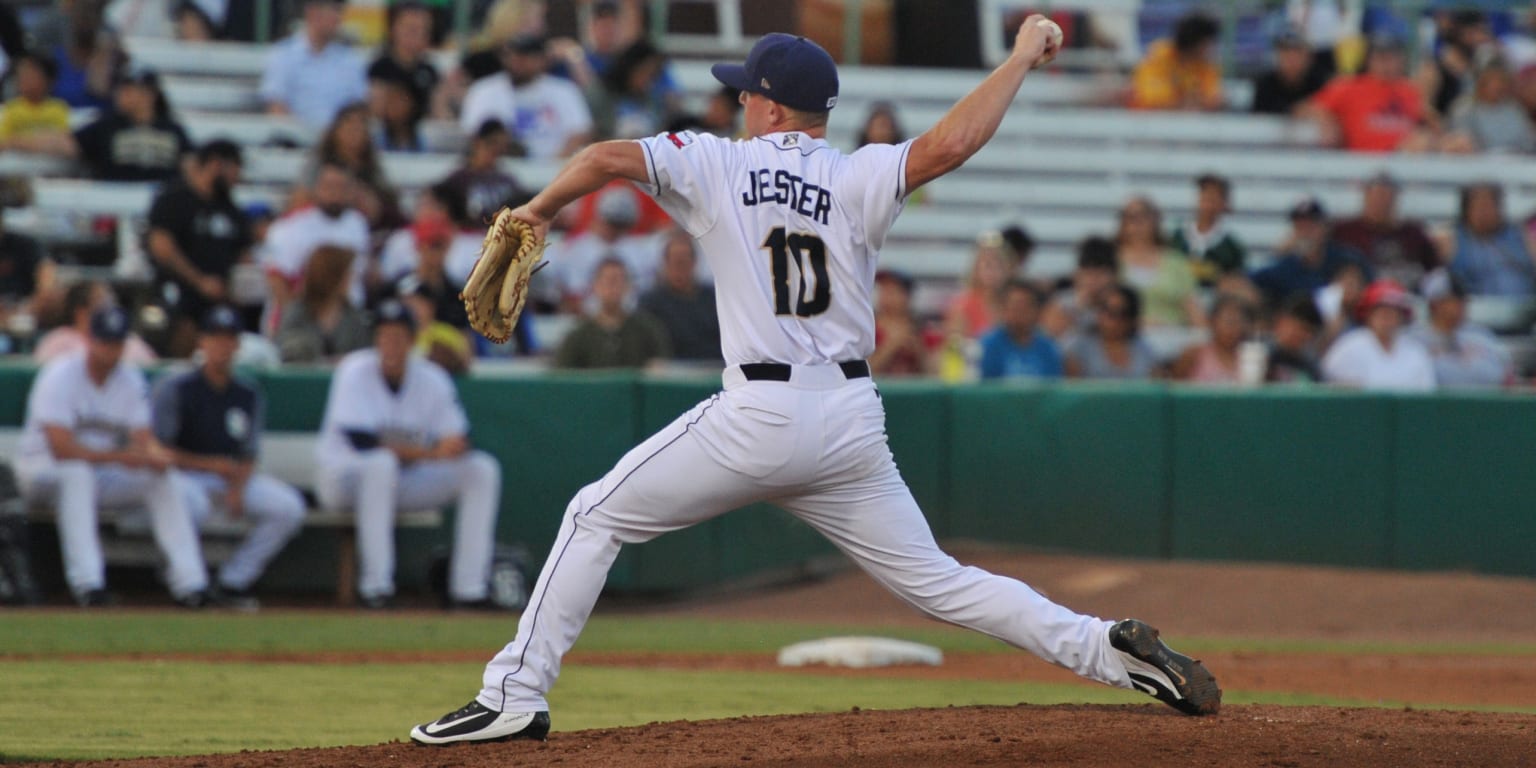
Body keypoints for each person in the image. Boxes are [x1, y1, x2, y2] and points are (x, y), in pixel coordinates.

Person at [411, 26, 1218, 746]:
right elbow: (948, 147)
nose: (736, 104)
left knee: (593, 515)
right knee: (942, 583)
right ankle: (1104, 647)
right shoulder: (860, 172)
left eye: (743, 92)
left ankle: (513, 694)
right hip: (848, 421)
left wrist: (541, 207)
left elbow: (603, 158)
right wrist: (1016, 58)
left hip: (756, 415)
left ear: (766, 106)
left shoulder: (718, 162)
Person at [13, 306, 209, 607]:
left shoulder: (129, 380)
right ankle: (89, 585)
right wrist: (120, 456)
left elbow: (144, 440)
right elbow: (61, 449)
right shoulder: (60, 375)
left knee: (159, 479)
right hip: (41, 472)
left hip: (97, 473)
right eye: (105, 341)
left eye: (117, 342)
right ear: (89, 340)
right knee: (77, 473)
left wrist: (156, 457)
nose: (112, 350)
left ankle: (191, 585)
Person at [315, 300, 502, 609]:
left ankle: (470, 589)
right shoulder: (354, 370)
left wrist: (446, 448)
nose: (391, 343)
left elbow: (458, 439)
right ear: (376, 340)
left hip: (401, 482)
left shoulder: (431, 378)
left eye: (399, 336)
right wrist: (431, 453)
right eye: (385, 335)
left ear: (413, 340)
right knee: (381, 463)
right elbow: (363, 442)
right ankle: (377, 587)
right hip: (343, 480)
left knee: (481, 469)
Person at [152, 305, 306, 609]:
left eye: (228, 339)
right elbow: (160, 451)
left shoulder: (247, 393)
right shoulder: (177, 388)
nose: (222, 346)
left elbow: (249, 452)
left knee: (288, 508)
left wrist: (238, 486)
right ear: (202, 342)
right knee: (185, 502)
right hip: (185, 477)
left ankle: (232, 581)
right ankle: (185, 578)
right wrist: (209, 465)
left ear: (237, 345)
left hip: (230, 477)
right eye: (215, 338)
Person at [145, 139, 252, 357]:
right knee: (181, 328)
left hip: (220, 297)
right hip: (178, 292)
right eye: (234, 168)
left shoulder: (232, 210)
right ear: (215, 164)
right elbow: (161, 246)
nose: (237, 177)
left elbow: (243, 254)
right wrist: (199, 281)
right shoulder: (174, 200)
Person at [261, 163, 372, 317]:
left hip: (349, 316)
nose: (335, 193)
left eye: (342, 187)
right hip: (305, 317)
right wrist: (294, 319)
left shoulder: (357, 223)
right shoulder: (292, 226)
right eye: (329, 186)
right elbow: (277, 279)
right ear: (316, 188)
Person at [459, 34, 594, 159]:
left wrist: (551, 168)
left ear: (542, 60)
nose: (516, 62)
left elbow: (579, 133)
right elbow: (473, 134)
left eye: (524, 57)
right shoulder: (484, 89)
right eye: (511, 56)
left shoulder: (564, 90)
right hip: (497, 173)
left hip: (550, 172)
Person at [1303, 33, 1436, 153]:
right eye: (1380, 58)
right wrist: (1328, 122)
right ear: (1369, 60)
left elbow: (1430, 122)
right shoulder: (1350, 87)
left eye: (1391, 58)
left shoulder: (1409, 90)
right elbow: (1309, 107)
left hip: (1404, 160)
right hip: (1365, 163)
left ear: (1401, 60)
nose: (1386, 64)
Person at [260, 0, 368, 129]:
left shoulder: (350, 61)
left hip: (339, 144)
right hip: (293, 141)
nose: (338, 17)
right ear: (312, 12)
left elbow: (358, 107)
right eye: (333, 10)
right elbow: (276, 106)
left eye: (340, 10)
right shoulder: (283, 55)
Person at [70, 68, 192, 182]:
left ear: (149, 95)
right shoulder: (107, 125)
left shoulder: (172, 129)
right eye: (120, 89)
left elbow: (189, 164)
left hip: (161, 197)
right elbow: (69, 143)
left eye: (128, 90)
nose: (120, 95)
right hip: (113, 197)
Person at [550, 187, 664, 307]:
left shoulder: (641, 250)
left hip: (632, 315)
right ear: (599, 218)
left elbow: (646, 292)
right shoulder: (577, 250)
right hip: (588, 317)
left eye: (621, 224)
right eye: (612, 223)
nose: (615, 230)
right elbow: (572, 296)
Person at [1250, 197, 1369, 308]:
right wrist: (1277, 255)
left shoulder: (1347, 260)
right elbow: (1250, 281)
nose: (1306, 234)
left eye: (1311, 227)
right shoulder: (1285, 265)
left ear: (1324, 228)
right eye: (1300, 228)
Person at [1329, 172, 1439, 290]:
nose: (1381, 204)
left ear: (1395, 200)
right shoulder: (1345, 232)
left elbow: (1434, 272)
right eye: (1376, 197)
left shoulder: (1413, 234)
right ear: (1366, 198)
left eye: (1386, 198)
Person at [554, 258, 670, 369]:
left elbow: (659, 368)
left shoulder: (648, 330)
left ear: (628, 286)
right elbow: (563, 377)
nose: (613, 287)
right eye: (608, 281)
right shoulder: (578, 336)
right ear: (595, 286)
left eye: (618, 280)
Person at [1321, 279, 1435, 391]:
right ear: (1369, 314)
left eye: (1393, 312)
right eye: (1381, 311)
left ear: (1401, 316)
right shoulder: (1347, 347)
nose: (1387, 317)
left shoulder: (1416, 352)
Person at [1408, 268, 1512, 388]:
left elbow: (1503, 376)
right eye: (1454, 300)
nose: (1461, 305)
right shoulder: (1414, 340)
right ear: (1435, 304)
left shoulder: (1481, 336)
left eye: (1462, 300)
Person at [1114, 196, 1202, 327]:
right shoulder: (1112, 260)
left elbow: (1192, 308)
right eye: (1131, 217)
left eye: (1143, 216)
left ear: (1155, 220)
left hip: (1171, 337)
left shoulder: (1176, 262)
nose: (1138, 223)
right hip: (1123, 339)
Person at [275, 245, 372, 363]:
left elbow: (364, 355)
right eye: (347, 273)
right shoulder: (297, 313)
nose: (352, 277)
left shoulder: (355, 317)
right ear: (332, 276)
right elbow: (287, 351)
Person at [637, 231, 720, 362]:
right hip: (669, 372)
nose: (679, 268)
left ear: (694, 263)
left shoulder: (713, 298)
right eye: (675, 262)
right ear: (665, 264)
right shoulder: (650, 302)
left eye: (684, 262)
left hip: (712, 368)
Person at [33, 281, 157, 365]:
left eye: (111, 302)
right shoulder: (57, 342)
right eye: (102, 304)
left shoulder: (129, 342)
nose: (109, 309)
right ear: (80, 313)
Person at [1447, 182, 1536, 296]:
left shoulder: (1521, 236)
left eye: (1489, 205)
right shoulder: (1452, 240)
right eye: (1478, 206)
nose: (1484, 213)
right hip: (1476, 309)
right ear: (1466, 210)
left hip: (1524, 308)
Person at [1064, 283, 1160, 380]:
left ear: (1132, 319)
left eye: (1119, 313)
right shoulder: (1080, 349)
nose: (1110, 319)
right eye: (1105, 309)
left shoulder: (1144, 351)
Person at [1129, 11, 1222, 111]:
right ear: (1196, 42)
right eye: (1208, 43)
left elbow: (1213, 98)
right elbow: (1149, 96)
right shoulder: (1160, 55)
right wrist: (1184, 101)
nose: (1211, 48)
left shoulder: (1205, 66)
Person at [586, 39, 677, 141]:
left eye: (653, 74)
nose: (647, 79)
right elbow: (590, 134)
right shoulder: (600, 94)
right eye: (643, 71)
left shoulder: (653, 100)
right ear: (630, 68)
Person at [367, 1, 441, 127]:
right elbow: (376, 114)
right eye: (412, 29)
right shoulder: (380, 69)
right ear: (394, 29)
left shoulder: (430, 71)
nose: (418, 35)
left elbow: (438, 115)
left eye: (424, 30)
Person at [441, 120, 527, 225]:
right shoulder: (458, 180)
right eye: (492, 143)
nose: (496, 150)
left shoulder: (507, 181)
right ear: (477, 142)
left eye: (502, 147)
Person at [1446, 56, 1536, 154]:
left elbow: (1528, 143)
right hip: (1476, 164)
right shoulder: (1463, 109)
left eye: (1501, 80)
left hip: (1514, 163)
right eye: (1492, 79)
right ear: (1481, 81)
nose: (1497, 85)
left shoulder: (1515, 110)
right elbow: (1459, 142)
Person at [1170, 174, 1247, 286]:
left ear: (1224, 203)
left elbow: (1235, 281)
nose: (1207, 202)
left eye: (1214, 197)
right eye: (1204, 193)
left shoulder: (1232, 246)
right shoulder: (1177, 237)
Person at [1041, 235, 1117, 344]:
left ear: (1113, 276)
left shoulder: (1119, 303)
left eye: (1100, 274)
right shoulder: (1061, 302)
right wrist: (1079, 308)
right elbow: (1048, 334)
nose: (1094, 280)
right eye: (1088, 274)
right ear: (1077, 275)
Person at [978, 280, 1061, 380]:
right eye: (1013, 306)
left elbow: (1053, 385)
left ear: (1036, 311)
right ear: (1004, 309)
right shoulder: (987, 346)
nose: (1018, 312)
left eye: (1024, 307)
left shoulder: (1048, 348)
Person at [944, 230, 1015, 341]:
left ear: (1007, 269)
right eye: (987, 263)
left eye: (998, 263)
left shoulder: (1015, 305)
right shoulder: (962, 307)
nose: (992, 269)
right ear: (975, 268)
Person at [0, 52, 74, 156]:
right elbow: (3, 141)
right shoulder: (11, 109)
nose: (25, 80)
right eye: (22, 75)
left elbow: (65, 139)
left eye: (31, 75)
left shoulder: (58, 108)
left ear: (48, 80)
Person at [1171, 295, 1257, 384]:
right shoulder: (1194, 355)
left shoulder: (1252, 357)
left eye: (1239, 322)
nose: (1234, 328)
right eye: (1229, 322)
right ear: (1213, 322)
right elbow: (1176, 388)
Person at [1250, 28, 1327, 116]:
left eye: (1297, 53)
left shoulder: (1321, 84)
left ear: (1308, 57)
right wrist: (1293, 110)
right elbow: (1256, 118)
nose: (1291, 59)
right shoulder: (1265, 85)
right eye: (1286, 53)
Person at [869, 269, 929, 376]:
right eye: (883, 290)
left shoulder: (919, 329)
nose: (885, 297)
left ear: (906, 296)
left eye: (892, 291)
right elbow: (865, 371)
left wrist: (917, 349)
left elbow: (935, 373)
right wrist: (892, 345)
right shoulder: (869, 328)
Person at [1265, 293, 1325, 383]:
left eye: (1310, 333)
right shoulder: (1258, 351)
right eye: (1302, 328)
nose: (1305, 336)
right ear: (1282, 321)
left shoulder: (1308, 364)